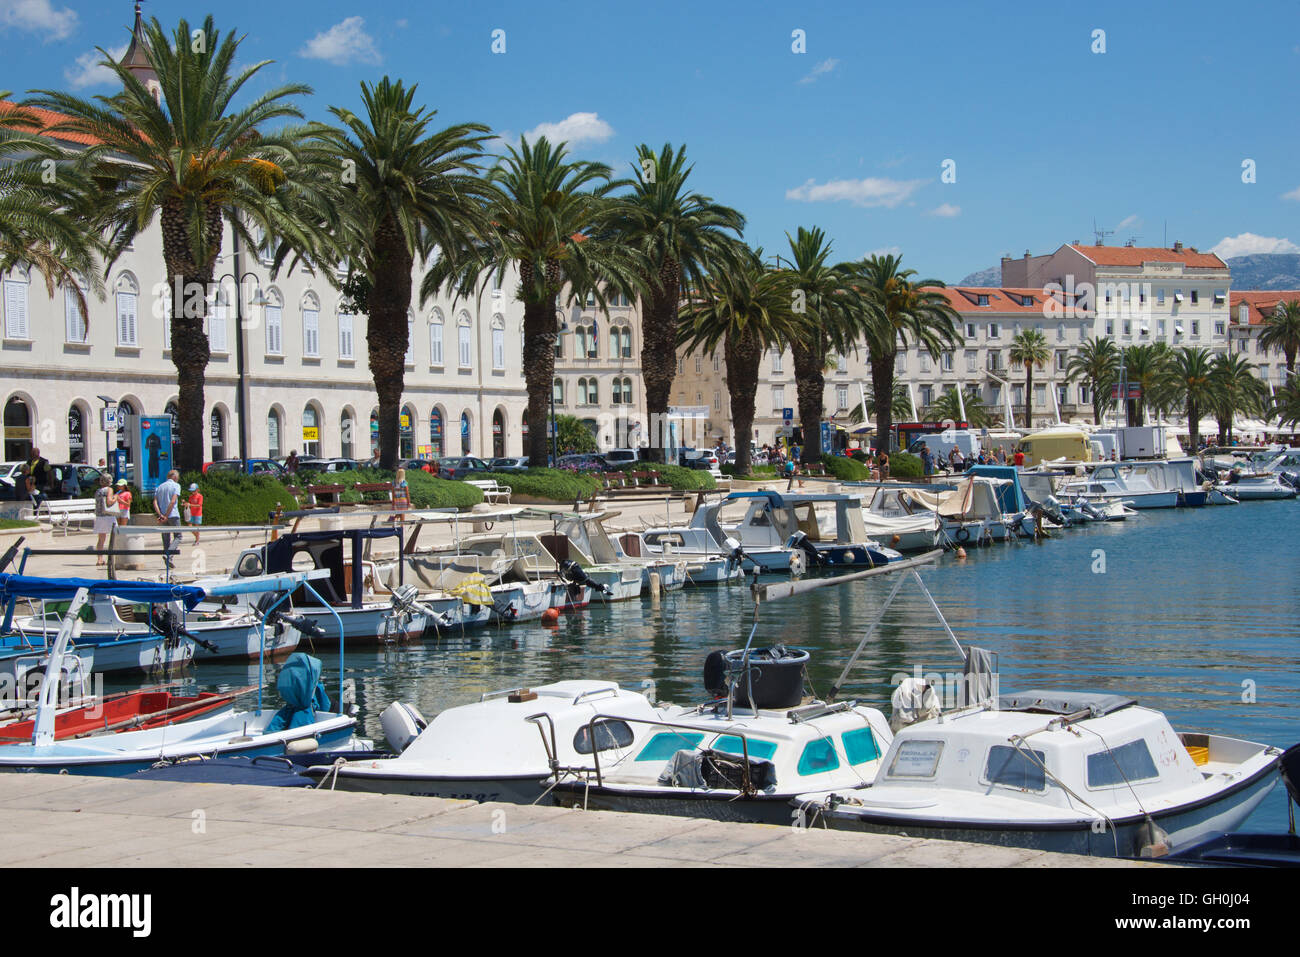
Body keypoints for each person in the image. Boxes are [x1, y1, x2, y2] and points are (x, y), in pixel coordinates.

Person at [153, 469, 182, 562]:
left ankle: (168, 558)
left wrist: (160, 514)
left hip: (162, 515)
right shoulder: (176, 486)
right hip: (173, 514)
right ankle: (169, 554)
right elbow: (173, 501)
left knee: (166, 537)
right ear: (175, 477)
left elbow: (155, 502)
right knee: (178, 536)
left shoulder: (160, 487)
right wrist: (167, 515)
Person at [93, 475, 118, 566]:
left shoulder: (98, 491)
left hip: (100, 516)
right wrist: (116, 497)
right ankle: (111, 558)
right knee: (114, 538)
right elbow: (109, 502)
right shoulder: (109, 490)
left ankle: (100, 559)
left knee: (101, 539)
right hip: (109, 516)